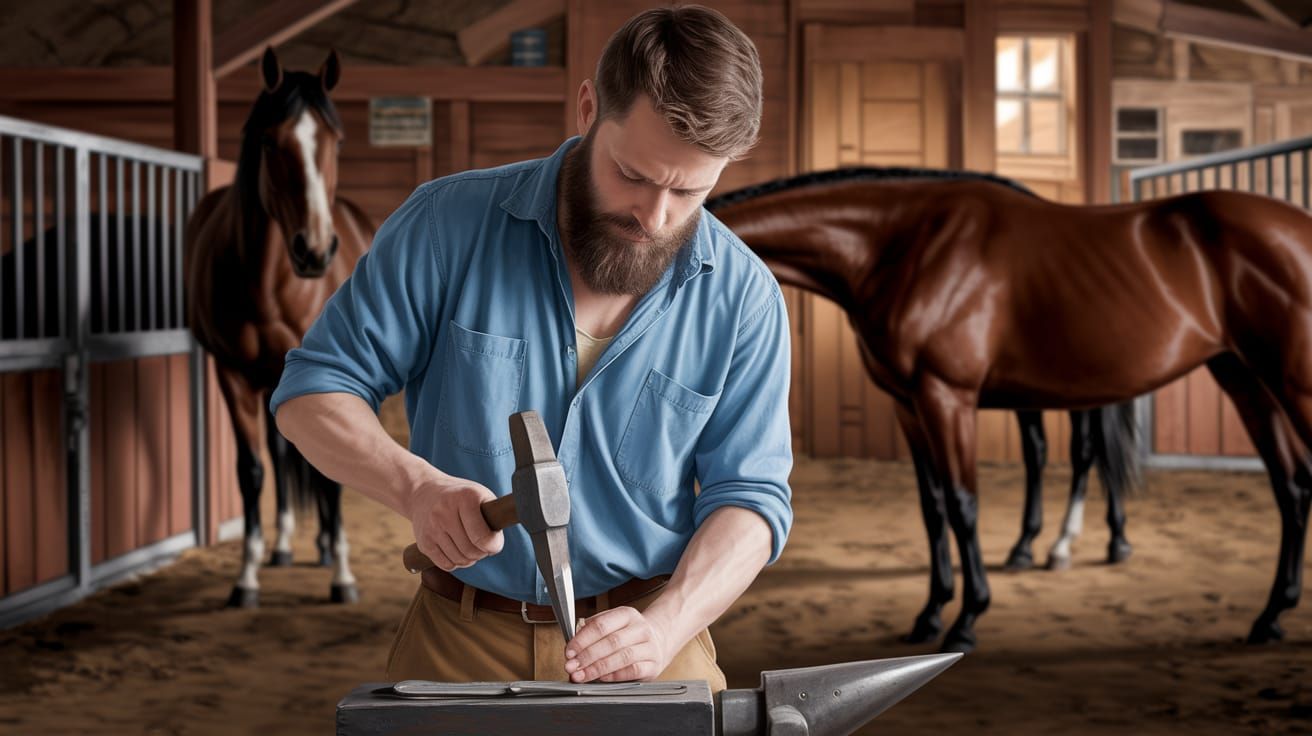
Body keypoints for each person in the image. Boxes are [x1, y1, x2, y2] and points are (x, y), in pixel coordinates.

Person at [270, 4, 792, 691]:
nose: (655, 215)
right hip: (461, 636)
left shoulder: (745, 297)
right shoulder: (445, 226)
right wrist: (416, 486)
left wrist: (667, 624)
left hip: (648, 641)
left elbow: (751, 499)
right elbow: (311, 395)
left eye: (690, 189)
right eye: (632, 174)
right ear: (586, 110)